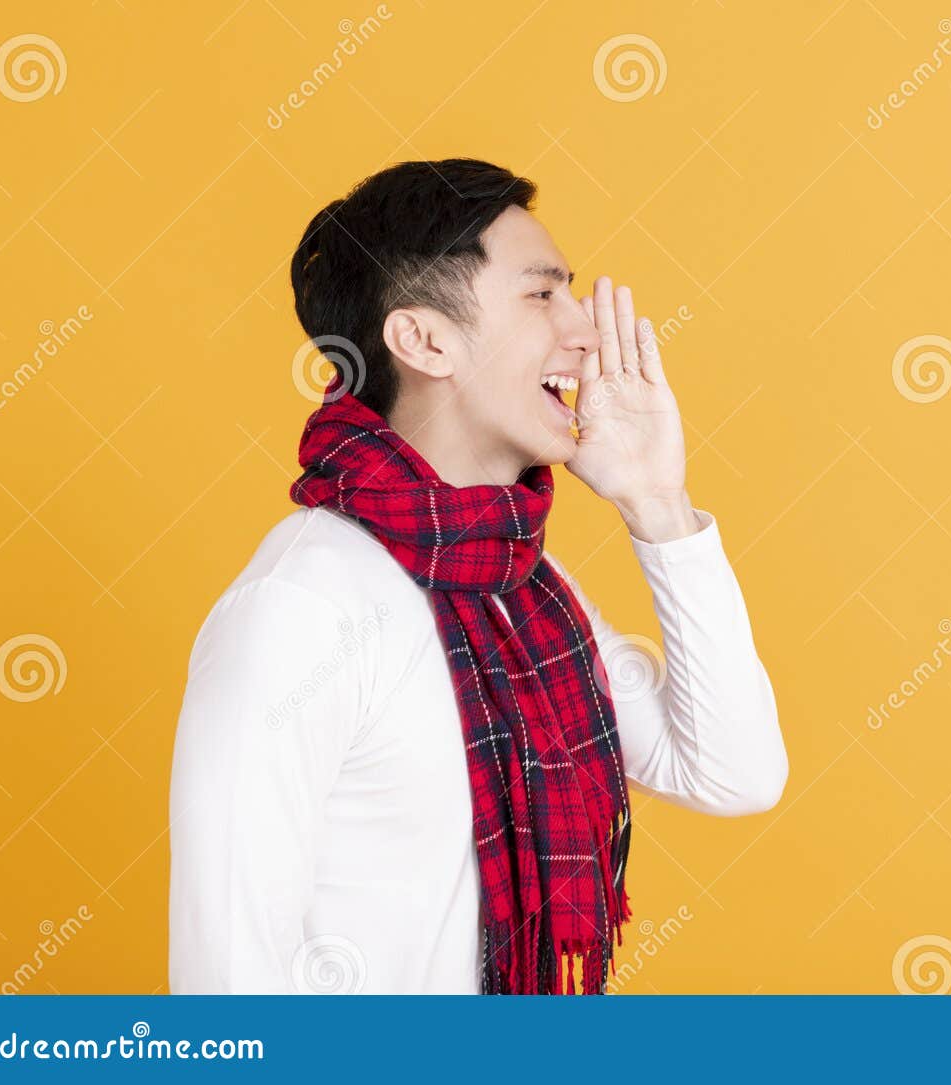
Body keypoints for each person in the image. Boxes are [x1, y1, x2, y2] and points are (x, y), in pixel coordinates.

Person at [168, 159, 788, 995]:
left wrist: (658, 501)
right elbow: (227, 981)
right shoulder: (300, 607)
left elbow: (734, 772)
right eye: (542, 296)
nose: (586, 332)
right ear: (424, 340)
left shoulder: (524, 591)